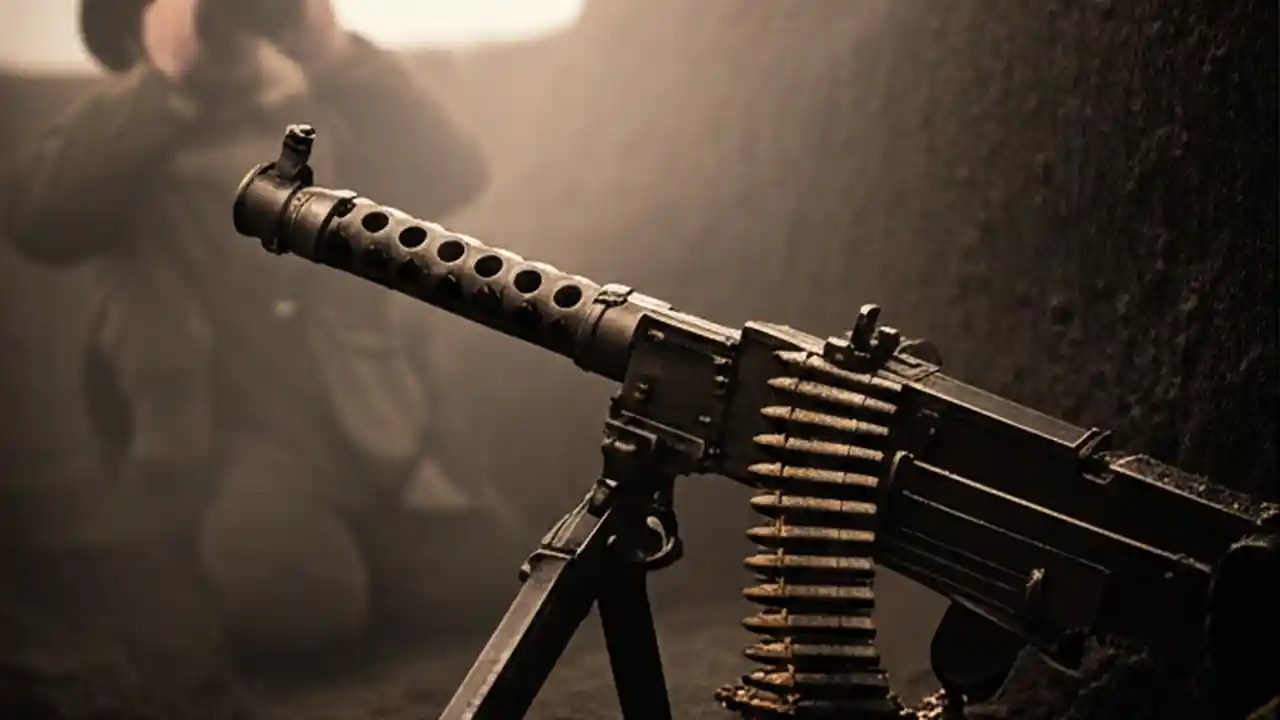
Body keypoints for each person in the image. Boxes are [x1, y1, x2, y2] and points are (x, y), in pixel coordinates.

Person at [1, 0, 517, 697]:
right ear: (134, 32)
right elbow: (39, 218)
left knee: (494, 581)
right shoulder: (123, 138)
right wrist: (168, 78)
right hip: (222, 454)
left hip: (368, 428)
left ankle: (368, 571)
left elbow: (456, 168)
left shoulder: (323, 119)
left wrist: (330, 51)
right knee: (299, 609)